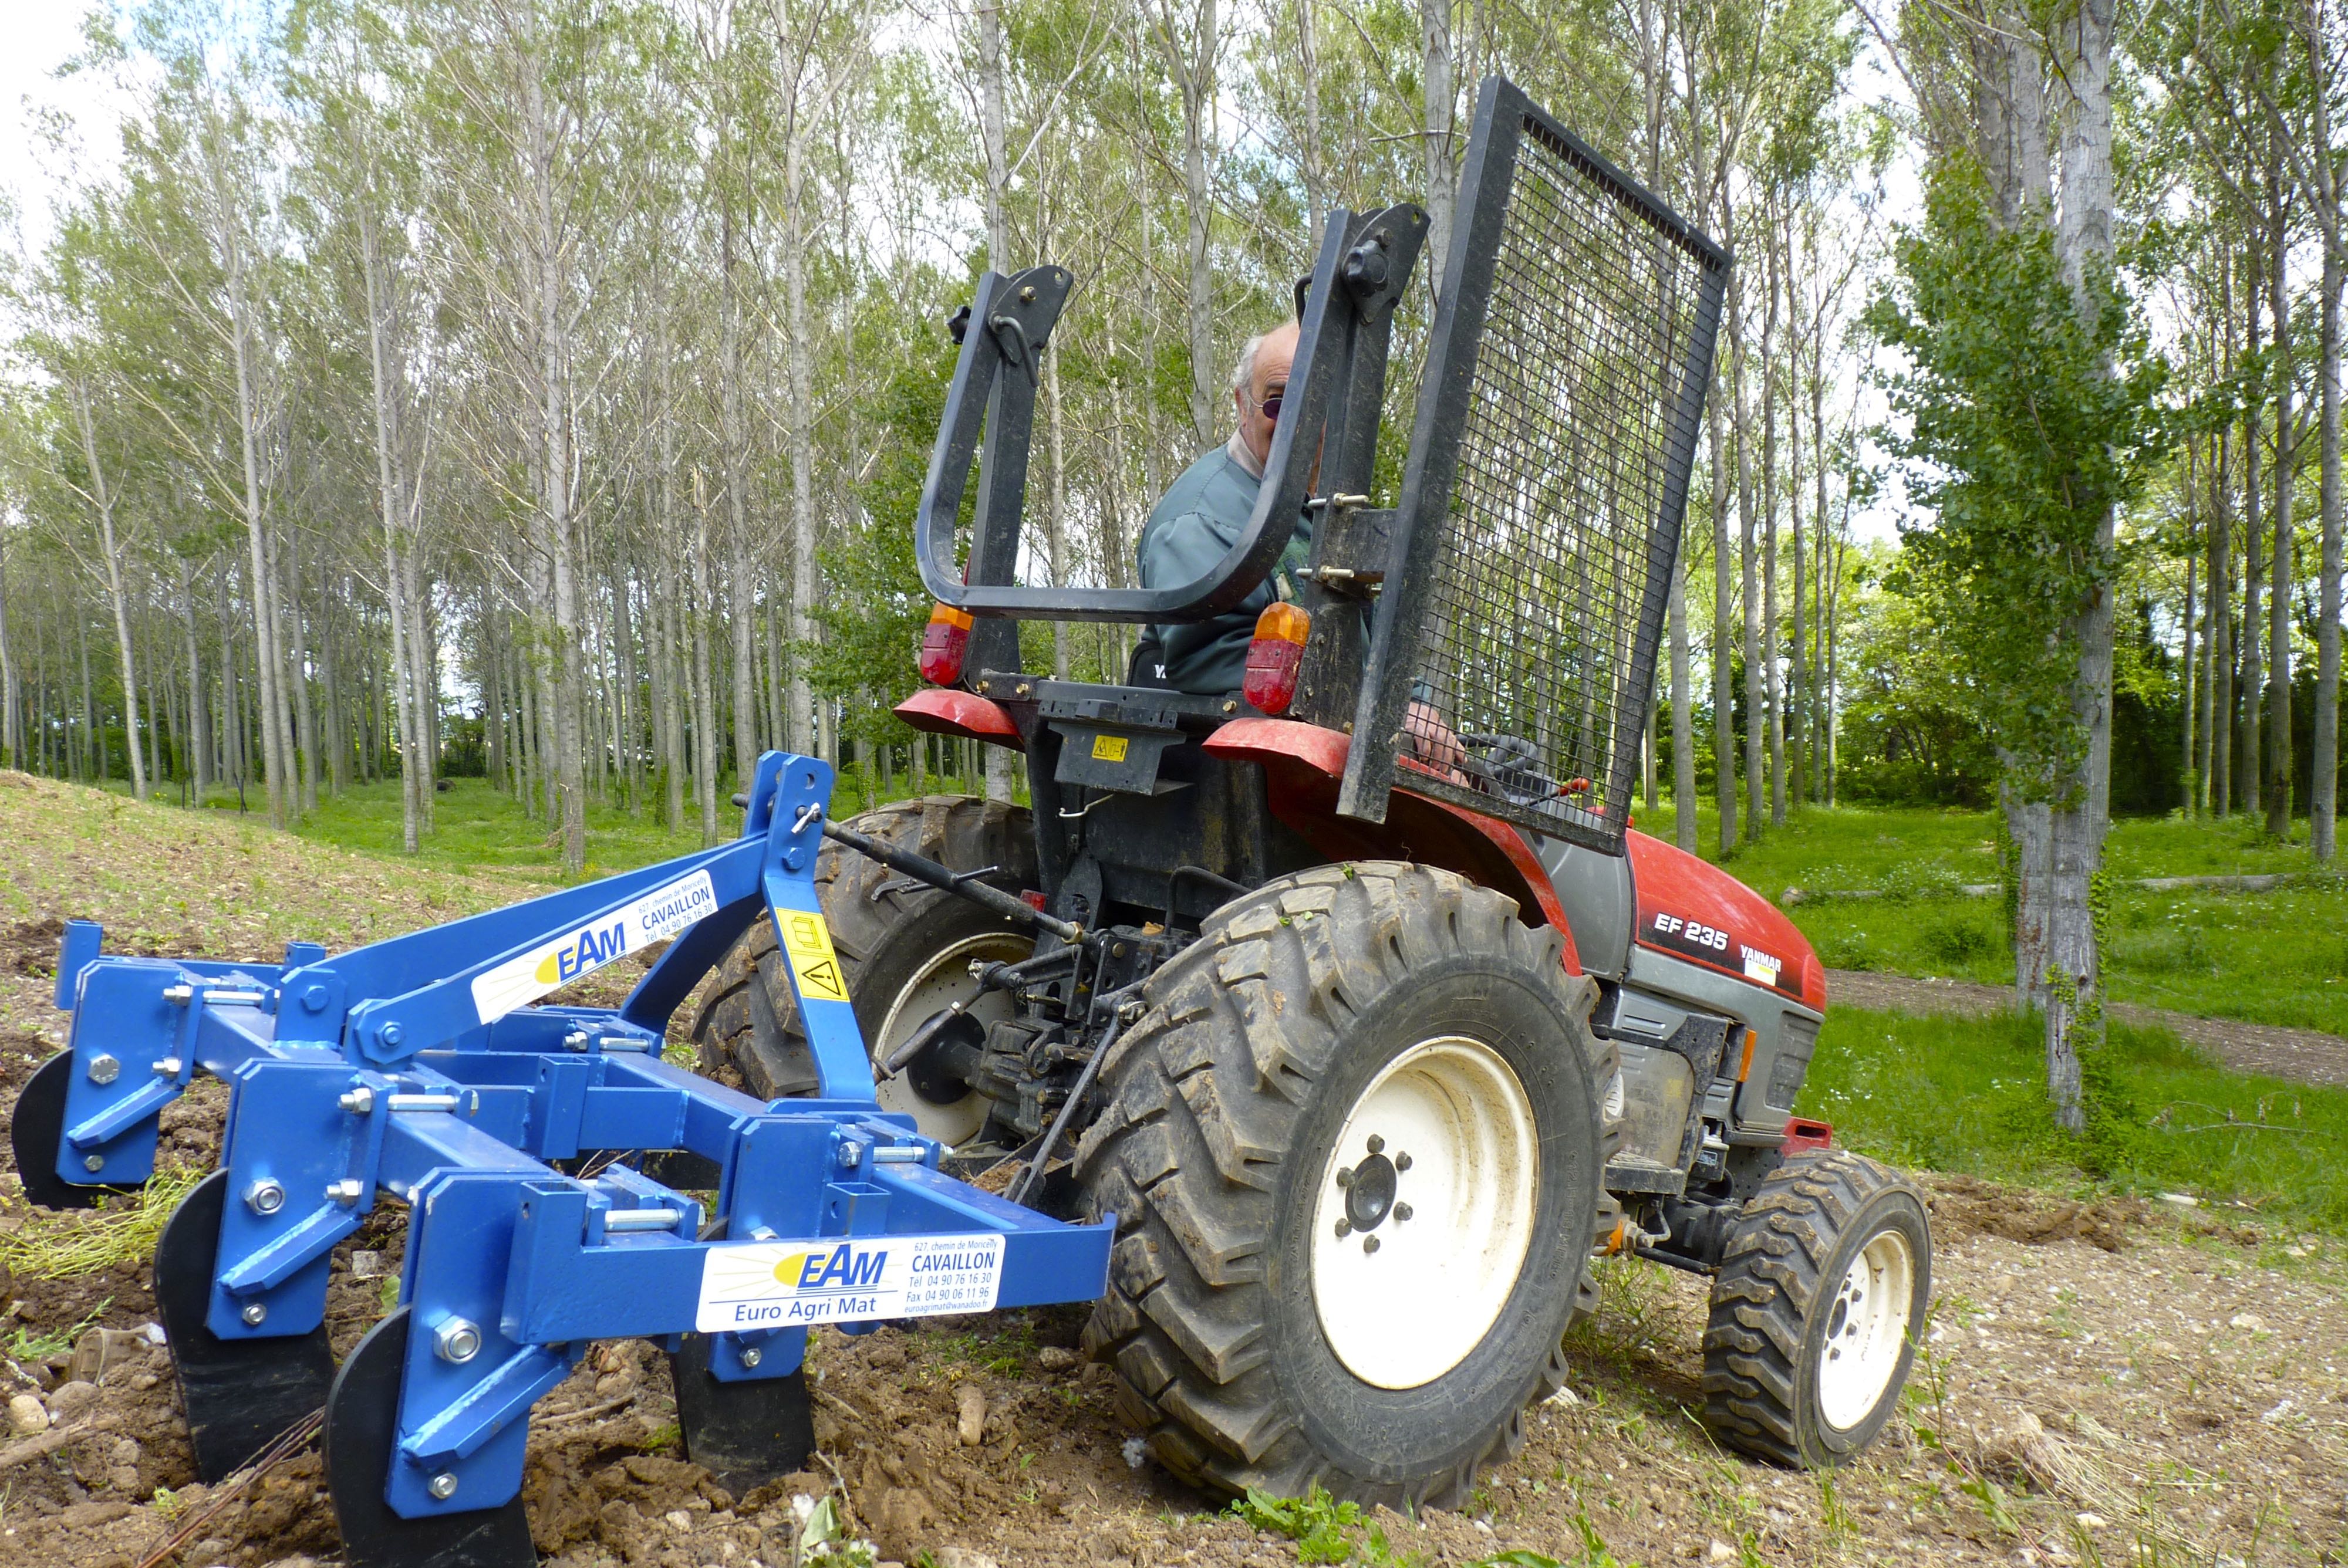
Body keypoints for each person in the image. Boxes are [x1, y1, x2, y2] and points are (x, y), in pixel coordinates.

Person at [1132, 318, 1465, 773]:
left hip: (1326, 757)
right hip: (1242, 774)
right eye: (1278, 403)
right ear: (1241, 405)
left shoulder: (1326, 509)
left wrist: (1412, 706)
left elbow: (1370, 636)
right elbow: (1209, 659)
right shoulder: (1200, 522)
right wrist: (1380, 710)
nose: (1302, 420)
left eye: (1319, 402)